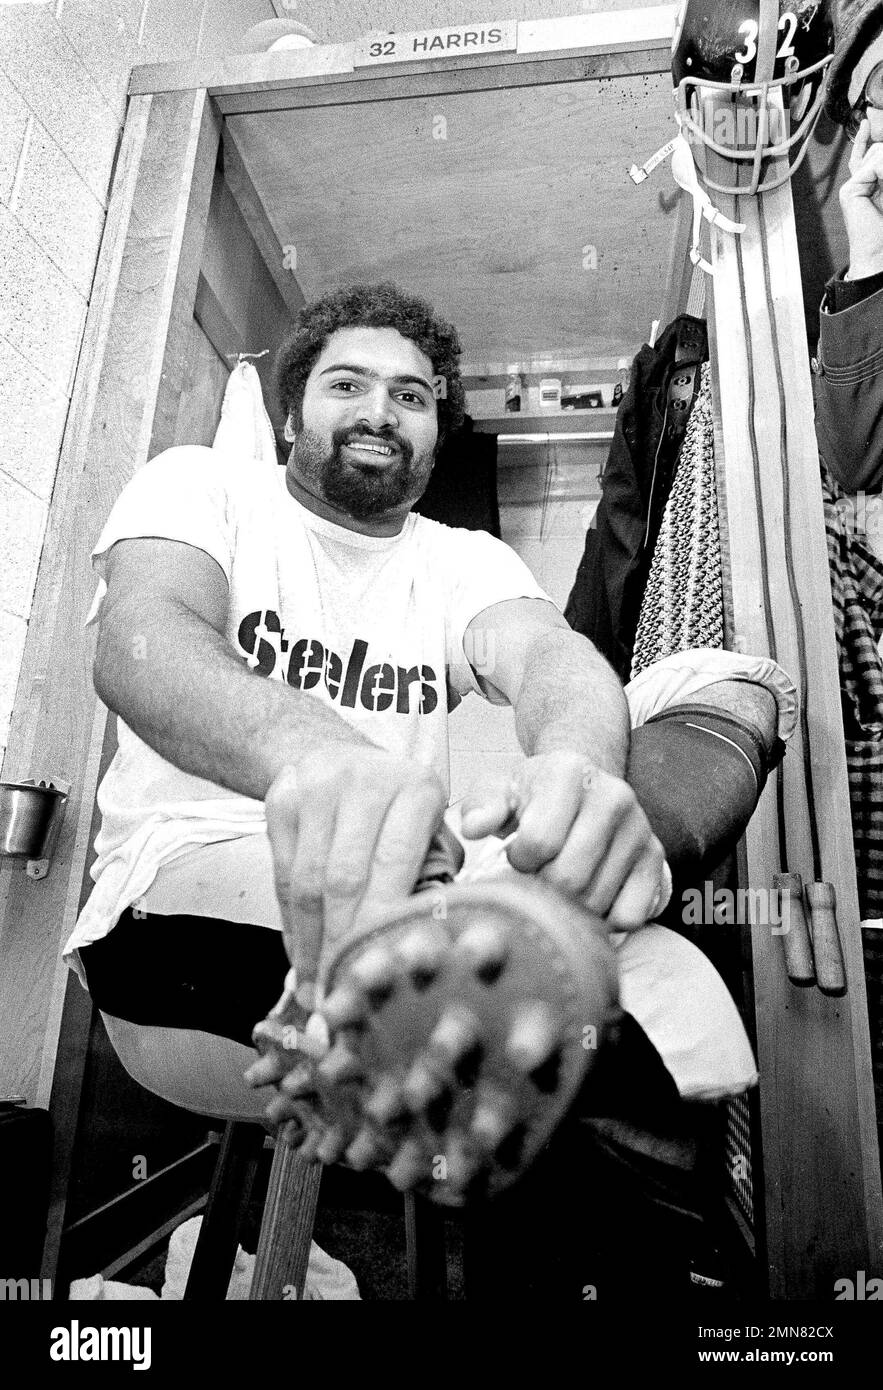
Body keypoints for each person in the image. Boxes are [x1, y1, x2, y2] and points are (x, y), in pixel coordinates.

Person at [61, 281, 795, 1296]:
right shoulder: (204, 486)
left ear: (436, 430)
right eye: (348, 384)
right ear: (290, 413)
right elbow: (144, 644)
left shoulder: (459, 559)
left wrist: (577, 769)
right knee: (529, 1001)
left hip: (431, 888)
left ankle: (565, 900)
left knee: (739, 681)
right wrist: (313, 752)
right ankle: (543, 966)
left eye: (410, 395)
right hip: (182, 908)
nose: (379, 410)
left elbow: (548, 656)